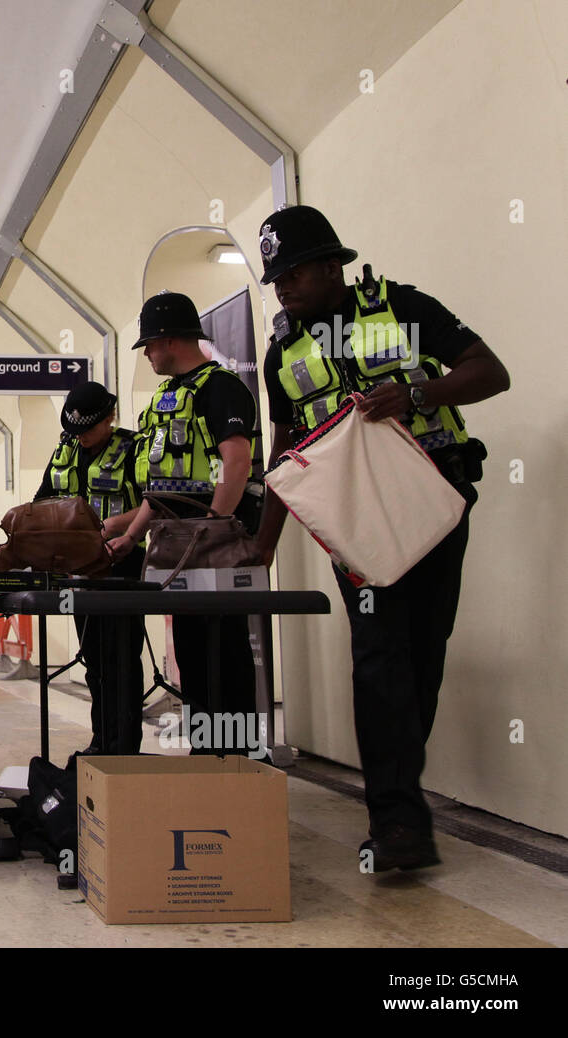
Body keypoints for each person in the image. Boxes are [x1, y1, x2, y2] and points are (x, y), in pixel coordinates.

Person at [250, 204, 510, 872]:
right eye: (275, 276)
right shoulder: (285, 350)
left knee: (421, 650)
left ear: (333, 264)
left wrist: (417, 396)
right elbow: (284, 445)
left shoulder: (402, 307)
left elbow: (490, 371)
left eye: (296, 270)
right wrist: (263, 542)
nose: (283, 285)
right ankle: (397, 823)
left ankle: (398, 786)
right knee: (379, 653)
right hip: (353, 520)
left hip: (433, 501)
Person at [103, 295, 260, 756]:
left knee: (225, 647)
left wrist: (216, 522)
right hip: (175, 542)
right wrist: (131, 535)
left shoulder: (221, 387)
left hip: (213, 539)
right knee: (191, 651)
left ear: (169, 339)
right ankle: (207, 750)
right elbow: (160, 486)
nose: (147, 354)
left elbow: (238, 459)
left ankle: (239, 755)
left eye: (149, 345)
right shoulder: (165, 399)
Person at [34, 380, 143, 754]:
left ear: (110, 417)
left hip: (123, 569)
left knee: (122, 659)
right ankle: (101, 741)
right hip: (78, 571)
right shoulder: (65, 448)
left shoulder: (133, 448)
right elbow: (42, 500)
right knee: (94, 659)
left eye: (88, 429)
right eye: (74, 430)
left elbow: (154, 504)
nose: (80, 437)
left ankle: (123, 745)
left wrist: (120, 525)